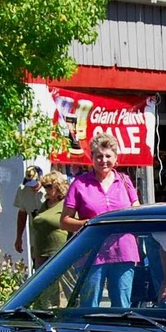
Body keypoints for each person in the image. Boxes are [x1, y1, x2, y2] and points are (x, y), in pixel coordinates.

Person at [62, 131, 140, 307]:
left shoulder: (125, 181)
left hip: (124, 252)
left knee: (122, 306)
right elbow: (65, 221)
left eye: (108, 156)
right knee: (90, 306)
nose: (103, 160)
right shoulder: (79, 184)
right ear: (92, 158)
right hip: (91, 253)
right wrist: (91, 224)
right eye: (98, 156)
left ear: (115, 158)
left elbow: (137, 214)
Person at [29, 171, 71, 267]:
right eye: (44, 186)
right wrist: (33, 249)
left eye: (49, 186)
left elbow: (74, 227)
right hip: (40, 254)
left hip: (60, 253)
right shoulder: (45, 204)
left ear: (58, 186)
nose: (46, 189)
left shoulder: (67, 203)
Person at [12, 165, 45, 264]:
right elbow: (22, 213)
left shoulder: (50, 189)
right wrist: (19, 238)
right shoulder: (22, 190)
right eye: (29, 184)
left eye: (34, 184)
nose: (32, 187)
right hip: (35, 240)